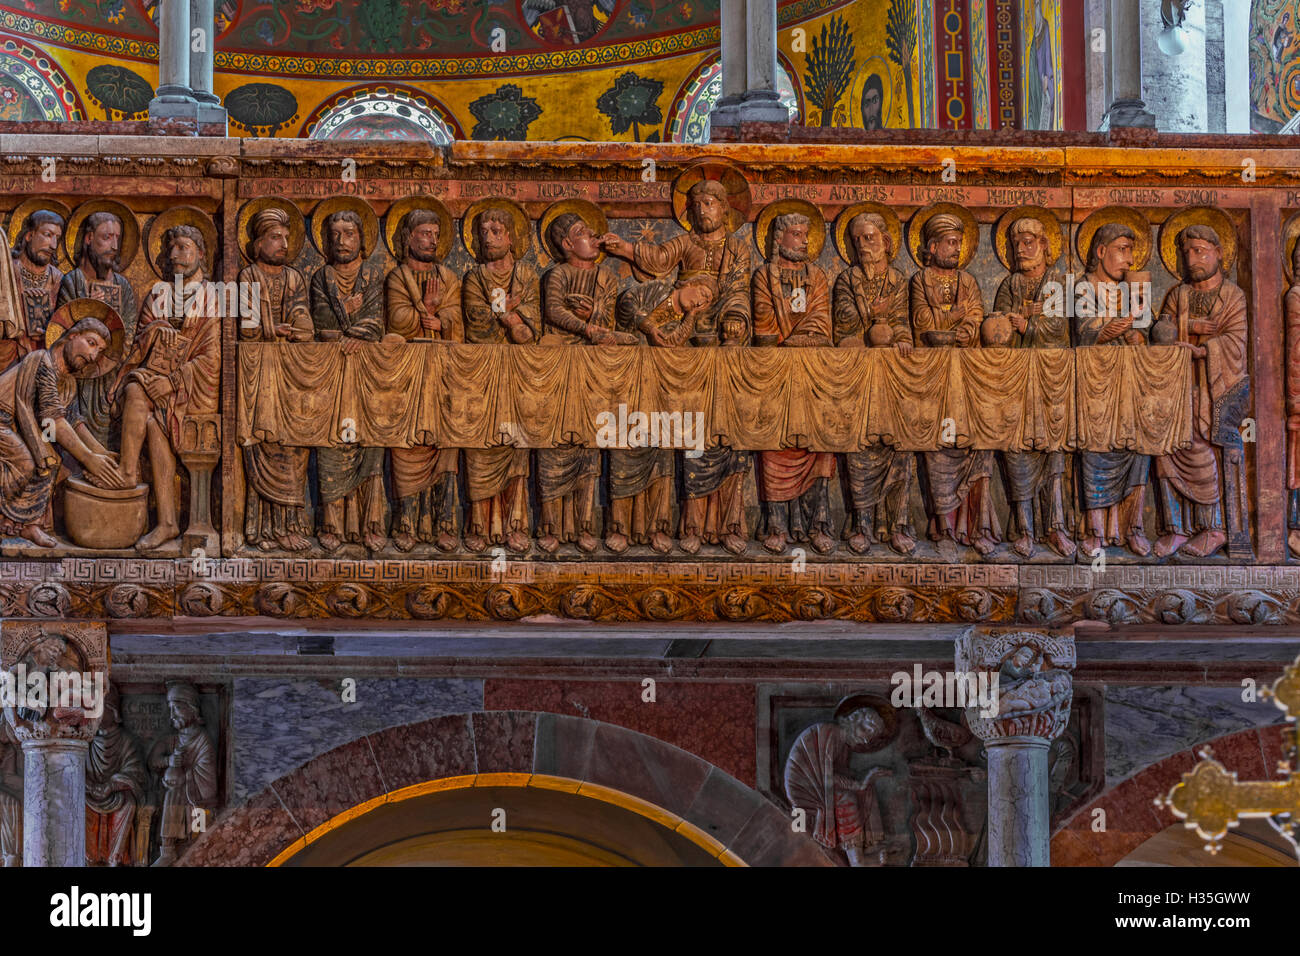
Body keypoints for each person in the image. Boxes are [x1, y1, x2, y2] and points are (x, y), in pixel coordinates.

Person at [602, 180, 753, 554]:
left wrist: (733, 317)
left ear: (725, 208)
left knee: (725, 430)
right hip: (679, 320)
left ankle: (730, 522)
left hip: (719, 324)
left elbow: (737, 290)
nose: (703, 210)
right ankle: (685, 523)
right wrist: (625, 248)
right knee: (678, 427)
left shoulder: (736, 248)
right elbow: (658, 259)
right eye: (697, 204)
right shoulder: (686, 243)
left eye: (710, 204)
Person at [111, 225, 221, 551]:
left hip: (194, 389)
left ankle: (169, 522)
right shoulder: (159, 293)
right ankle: (129, 476)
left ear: (201, 253)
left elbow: (212, 358)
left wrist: (171, 382)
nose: (174, 255)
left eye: (183, 247)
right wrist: (158, 330)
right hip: (155, 380)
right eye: (170, 248)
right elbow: (139, 344)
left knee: (151, 414)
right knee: (134, 391)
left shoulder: (212, 297)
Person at [1151, 225, 1248, 559]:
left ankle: (1214, 527)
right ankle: (1176, 527)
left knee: (1201, 449)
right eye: (1187, 252)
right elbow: (1161, 331)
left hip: (1210, 388)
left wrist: (1205, 350)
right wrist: (1186, 327)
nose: (1193, 258)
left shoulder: (1232, 296)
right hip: (1174, 386)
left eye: (1200, 250)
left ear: (1219, 252)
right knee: (1164, 446)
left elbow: (1236, 343)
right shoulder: (1178, 295)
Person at [910, 212, 1000, 556]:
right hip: (933, 375)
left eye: (959, 244)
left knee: (977, 443)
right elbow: (921, 321)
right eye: (950, 243)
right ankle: (945, 526)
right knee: (939, 446)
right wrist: (955, 315)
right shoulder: (921, 280)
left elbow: (976, 316)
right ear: (932, 246)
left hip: (967, 374)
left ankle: (977, 525)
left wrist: (963, 326)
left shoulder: (969, 281)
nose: (956, 249)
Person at [538, 212, 626, 553]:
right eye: (583, 233)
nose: (593, 236)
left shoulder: (607, 276)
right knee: (553, 441)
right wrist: (587, 327)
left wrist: (594, 319)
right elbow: (554, 311)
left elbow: (608, 318)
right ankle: (550, 525)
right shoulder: (557, 274)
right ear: (566, 244)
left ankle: (585, 525)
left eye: (591, 231)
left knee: (589, 444)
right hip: (561, 361)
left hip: (593, 367)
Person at [833, 212, 917, 555]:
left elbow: (901, 322)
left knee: (900, 448)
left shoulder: (899, 280)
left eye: (869, 238)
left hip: (893, 379)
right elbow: (844, 323)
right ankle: (862, 524)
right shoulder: (847, 280)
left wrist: (900, 336)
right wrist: (872, 318)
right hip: (860, 375)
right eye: (857, 240)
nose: (863, 245)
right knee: (860, 449)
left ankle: (898, 524)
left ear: (886, 241)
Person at [991, 215, 1075, 558]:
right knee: (1016, 453)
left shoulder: (1057, 281)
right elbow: (998, 330)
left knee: (1054, 455)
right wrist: (1010, 326)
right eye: (1016, 244)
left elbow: (1061, 330)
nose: (1022, 249)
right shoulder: (1009, 285)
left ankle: (1056, 528)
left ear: (1044, 246)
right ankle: (1024, 529)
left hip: (1051, 379)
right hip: (1015, 382)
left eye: (1030, 242)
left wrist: (1029, 324)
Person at [0, 317, 124, 546]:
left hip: (16, 426)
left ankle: (30, 526)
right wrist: (88, 458)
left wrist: (100, 453)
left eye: (99, 351)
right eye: (91, 343)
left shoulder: (68, 382)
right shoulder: (43, 362)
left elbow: (74, 422)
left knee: (51, 460)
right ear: (72, 335)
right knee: (30, 463)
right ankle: (12, 522)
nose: (93, 356)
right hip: (2, 419)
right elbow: (52, 421)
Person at [753, 211, 836, 554]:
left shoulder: (816, 275)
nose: (804, 241)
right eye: (797, 234)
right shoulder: (764, 275)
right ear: (779, 238)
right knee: (774, 440)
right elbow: (763, 319)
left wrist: (800, 338)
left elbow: (820, 318)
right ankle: (776, 523)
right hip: (775, 370)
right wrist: (785, 339)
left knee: (818, 440)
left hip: (813, 371)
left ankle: (817, 522)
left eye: (805, 234)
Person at [461, 208, 541, 554]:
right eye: (484, 231)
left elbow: (528, 334)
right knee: (480, 446)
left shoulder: (527, 274)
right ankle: (479, 523)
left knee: (516, 448)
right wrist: (508, 314)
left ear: (511, 236)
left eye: (497, 230)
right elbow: (478, 324)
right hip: (481, 372)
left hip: (517, 375)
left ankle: (515, 524)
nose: (489, 237)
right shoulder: (474, 277)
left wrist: (506, 317)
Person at [385, 207, 463, 553]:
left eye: (435, 233)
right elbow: (397, 319)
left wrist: (441, 318)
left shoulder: (449, 277)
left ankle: (444, 523)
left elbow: (458, 318)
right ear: (408, 238)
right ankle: (406, 523)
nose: (432, 239)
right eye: (424, 233)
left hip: (443, 373)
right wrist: (426, 309)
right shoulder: (397, 277)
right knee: (406, 444)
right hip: (406, 375)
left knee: (445, 444)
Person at [310, 210, 388, 553]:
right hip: (332, 373)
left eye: (349, 234)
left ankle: (371, 522)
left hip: (367, 375)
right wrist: (349, 315)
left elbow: (377, 324)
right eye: (335, 234)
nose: (341, 241)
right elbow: (322, 326)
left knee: (369, 442)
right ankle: (332, 522)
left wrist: (354, 325)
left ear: (362, 239)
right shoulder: (321, 277)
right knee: (331, 443)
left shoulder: (373, 275)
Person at [238, 206, 315, 552]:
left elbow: (302, 314)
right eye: (275, 237)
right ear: (257, 244)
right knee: (263, 443)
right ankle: (260, 529)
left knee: (294, 445)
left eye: (286, 237)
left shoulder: (295, 278)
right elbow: (246, 326)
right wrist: (274, 329)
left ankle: (290, 525)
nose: (283, 243)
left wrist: (298, 325)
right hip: (258, 372)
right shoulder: (248, 276)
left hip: (290, 371)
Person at [1075, 222, 1152, 557]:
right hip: (1095, 383)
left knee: (1137, 447)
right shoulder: (1083, 287)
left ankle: (1131, 526)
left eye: (1131, 251)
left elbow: (1146, 329)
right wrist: (1121, 325)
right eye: (1122, 249)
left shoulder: (1133, 290)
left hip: (1130, 383)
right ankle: (1094, 530)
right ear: (1101, 251)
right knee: (1095, 450)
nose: (1129, 259)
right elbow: (1087, 332)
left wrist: (1141, 332)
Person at [57, 211, 137, 446]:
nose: (113, 245)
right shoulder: (73, 281)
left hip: (112, 378)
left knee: (110, 436)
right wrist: (88, 308)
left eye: (117, 238)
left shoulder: (123, 286)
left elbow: (130, 332)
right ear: (89, 239)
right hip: (78, 375)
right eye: (106, 237)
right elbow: (61, 330)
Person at [784, 703, 893, 867]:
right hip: (804, 790)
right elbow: (826, 779)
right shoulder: (829, 735)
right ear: (854, 720)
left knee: (866, 789)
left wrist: (863, 783)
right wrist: (859, 784)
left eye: (871, 737)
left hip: (819, 786)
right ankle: (857, 861)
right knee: (846, 798)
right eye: (866, 730)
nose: (865, 739)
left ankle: (869, 848)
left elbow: (837, 776)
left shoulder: (842, 744)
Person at [148, 681, 217, 867]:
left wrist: (184, 775)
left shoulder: (203, 741)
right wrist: (167, 761)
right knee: (172, 788)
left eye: (177, 708)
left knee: (175, 790)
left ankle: (175, 848)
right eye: (170, 709)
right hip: (177, 794)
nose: (172, 715)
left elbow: (209, 782)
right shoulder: (171, 741)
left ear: (191, 708)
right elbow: (153, 761)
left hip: (196, 801)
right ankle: (167, 851)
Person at [86, 682, 148, 866]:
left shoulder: (125, 740)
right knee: (80, 805)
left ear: (112, 711)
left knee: (128, 803)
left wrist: (111, 786)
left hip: (115, 794)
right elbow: (75, 770)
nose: (95, 713)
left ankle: (115, 857)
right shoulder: (86, 740)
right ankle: (88, 857)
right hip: (91, 794)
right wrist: (91, 786)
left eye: (100, 708)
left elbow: (135, 771)